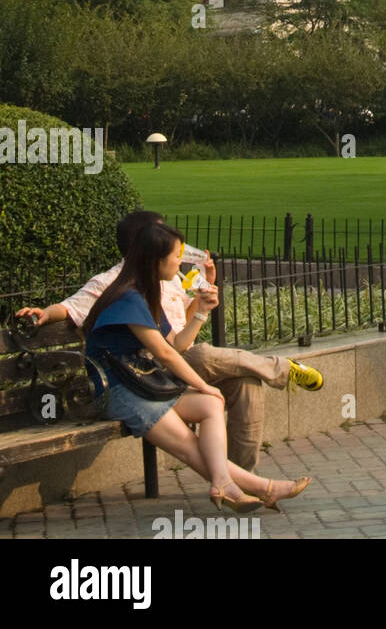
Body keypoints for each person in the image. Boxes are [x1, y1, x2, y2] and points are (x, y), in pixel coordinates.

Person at [19, 210, 323, 470]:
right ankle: (281, 368)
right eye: (162, 235)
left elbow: (178, 331)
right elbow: (73, 306)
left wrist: (203, 299)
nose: (175, 250)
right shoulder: (113, 283)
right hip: (152, 372)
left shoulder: (168, 277)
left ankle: (241, 477)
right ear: (145, 244)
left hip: (179, 359)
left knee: (246, 385)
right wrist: (43, 314)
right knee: (202, 355)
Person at [80, 219, 312, 511]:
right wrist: (203, 384)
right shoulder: (127, 296)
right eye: (176, 256)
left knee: (210, 405)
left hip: (140, 382)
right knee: (191, 445)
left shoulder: (145, 291)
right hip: (117, 390)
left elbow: (176, 344)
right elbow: (165, 354)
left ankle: (227, 485)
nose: (181, 261)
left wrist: (200, 312)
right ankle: (262, 488)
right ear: (155, 261)